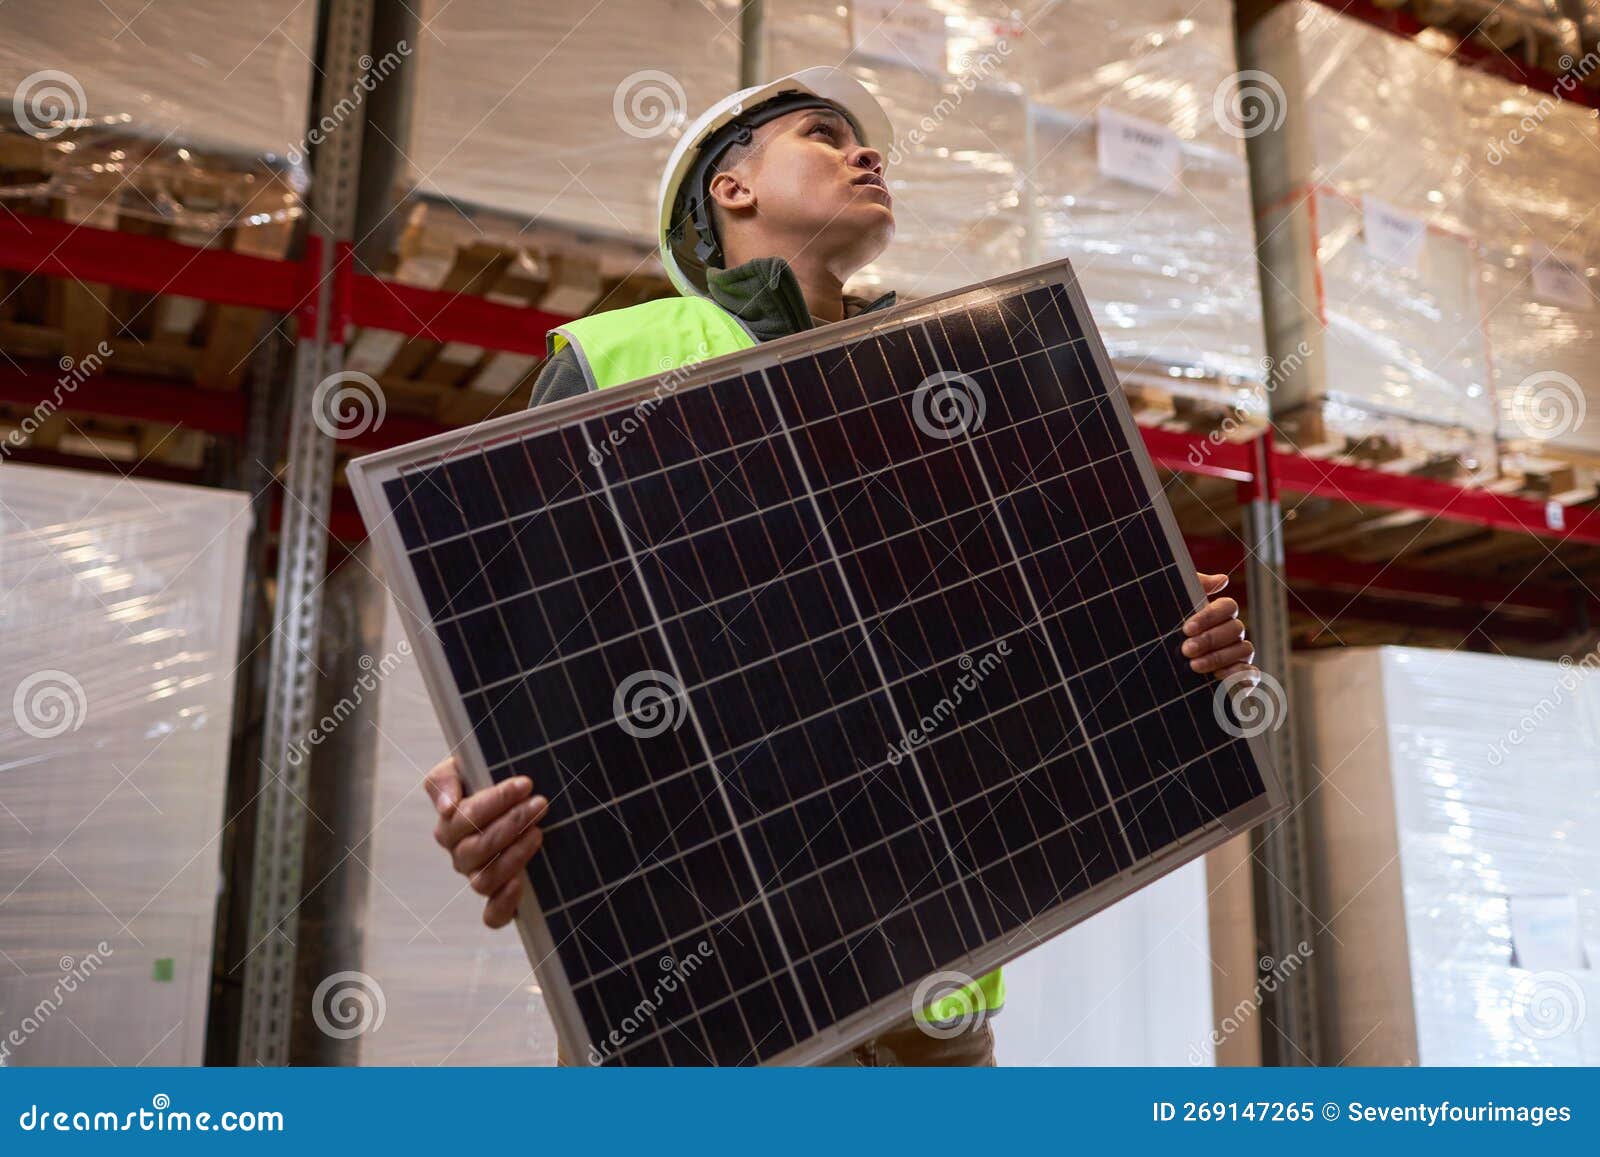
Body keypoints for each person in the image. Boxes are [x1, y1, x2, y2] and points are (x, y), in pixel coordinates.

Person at [422, 67, 1257, 1067]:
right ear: (731, 190)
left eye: (866, 144)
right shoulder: (620, 359)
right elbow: (524, 636)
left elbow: (1015, 639)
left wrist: (1168, 646)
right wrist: (486, 771)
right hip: (700, 980)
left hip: (933, 972)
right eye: (823, 135)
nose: (865, 154)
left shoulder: (950, 377)